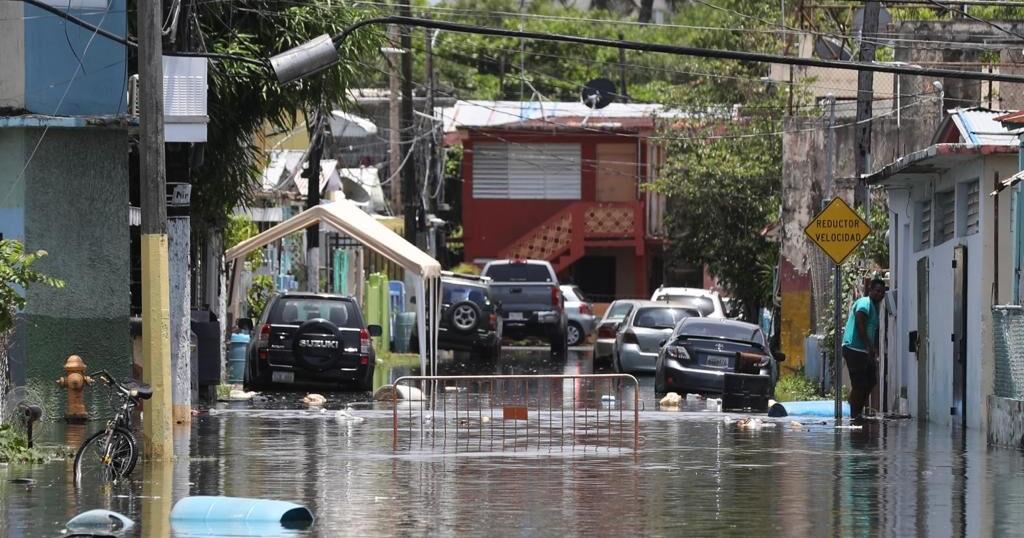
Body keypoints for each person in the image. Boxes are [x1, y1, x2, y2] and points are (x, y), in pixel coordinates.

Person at [841, 278, 886, 420]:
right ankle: (853, 415)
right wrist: (869, 345)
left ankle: (857, 411)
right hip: (854, 348)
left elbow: (874, 330)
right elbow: (860, 323)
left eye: (882, 292)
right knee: (859, 384)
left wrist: (873, 349)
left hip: (864, 350)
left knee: (871, 381)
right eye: (877, 291)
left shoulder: (875, 307)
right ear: (870, 290)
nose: (879, 294)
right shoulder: (865, 303)